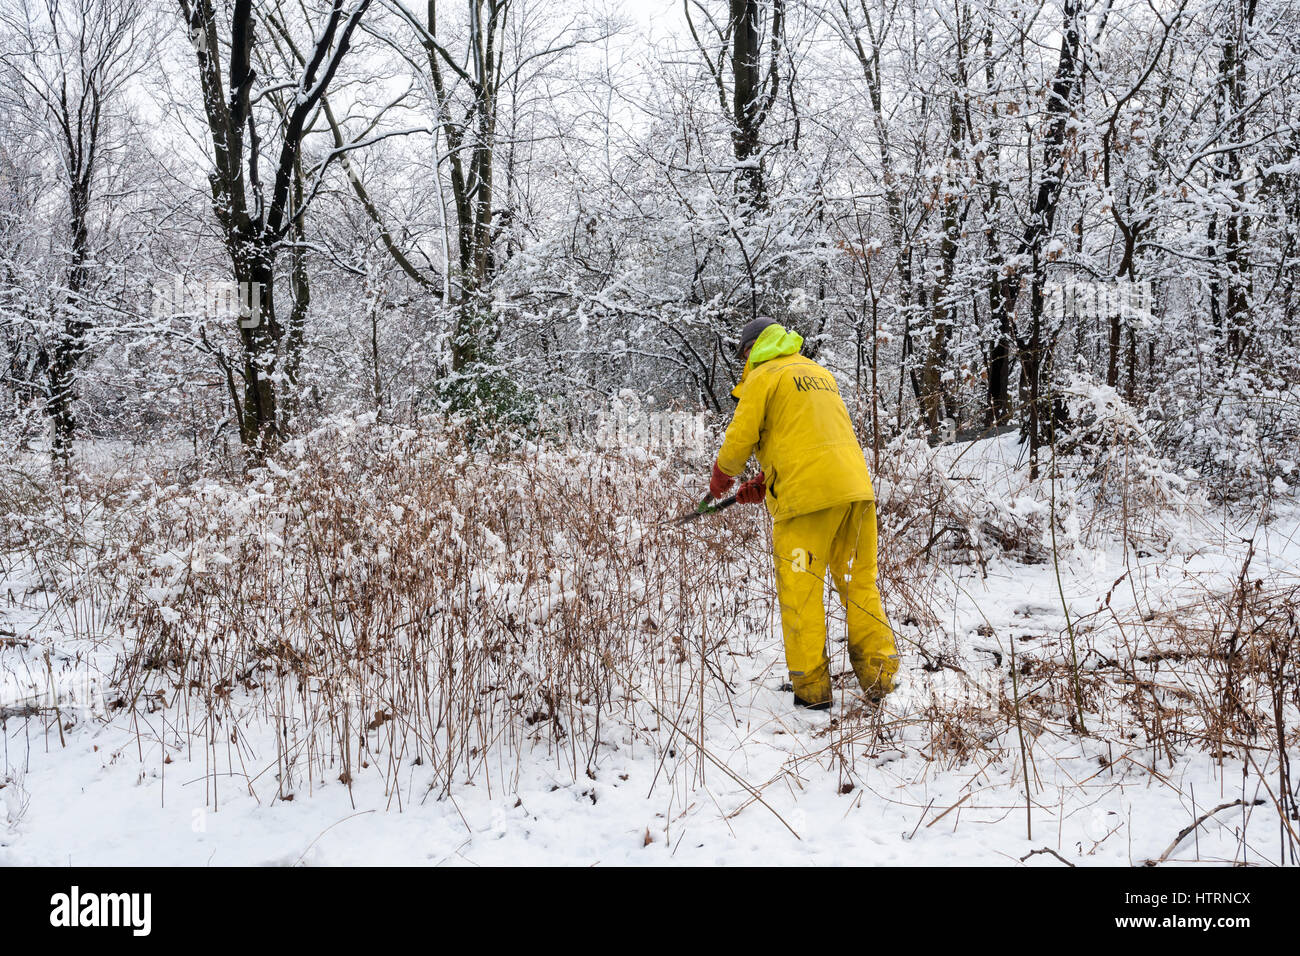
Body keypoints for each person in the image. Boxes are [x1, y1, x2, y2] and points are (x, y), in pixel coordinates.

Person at [709, 317, 900, 710]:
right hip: (855, 494)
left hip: (807, 503)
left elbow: (740, 437)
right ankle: (880, 678)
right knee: (859, 584)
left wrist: (721, 477)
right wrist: (766, 478)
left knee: (802, 592)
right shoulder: (817, 372)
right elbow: (810, 438)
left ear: (750, 350)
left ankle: (812, 692)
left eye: (744, 354)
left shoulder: (763, 375)